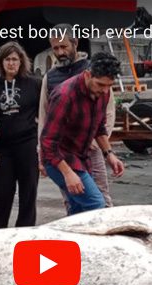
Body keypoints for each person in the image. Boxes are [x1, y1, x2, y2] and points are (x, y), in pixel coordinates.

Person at [38, 24, 117, 208]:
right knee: (90, 202)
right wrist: (42, 156)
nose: (60, 52)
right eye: (56, 48)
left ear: (75, 43)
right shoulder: (58, 86)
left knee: (96, 198)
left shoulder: (101, 79)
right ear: (88, 77)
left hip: (90, 148)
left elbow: (103, 119)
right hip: (62, 152)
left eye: (64, 46)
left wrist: (107, 152)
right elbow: (44, 123)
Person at [0, 41, 40, 228]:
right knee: (2, 190)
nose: (11, 63)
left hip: (27, 144)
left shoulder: (34, 84)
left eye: (15, 59)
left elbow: (46, 113)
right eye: (7, 59)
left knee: (28, 189)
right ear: (1, 62)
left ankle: (25, 228)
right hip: (2, 147)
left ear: (21, 62)